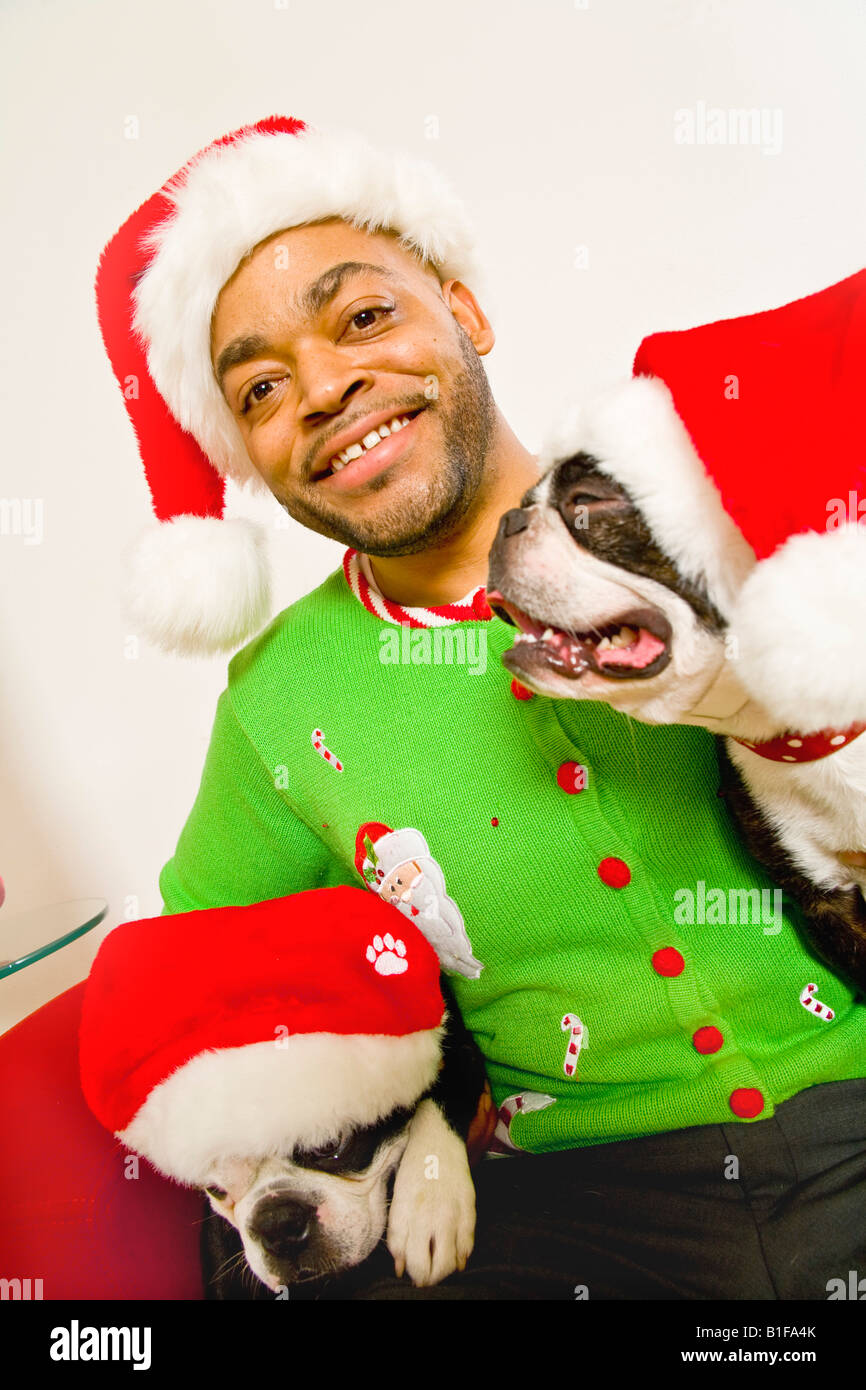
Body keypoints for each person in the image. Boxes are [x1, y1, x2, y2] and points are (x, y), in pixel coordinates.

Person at [95, 116, 866, 1300]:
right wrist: (414, 1135)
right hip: (573, 1203)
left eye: (362, 318)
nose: (325, 386)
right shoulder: (278, 701)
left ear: (465, 309)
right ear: (246, 451)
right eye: (260, 385)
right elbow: (190, 992)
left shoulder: (697, 478)